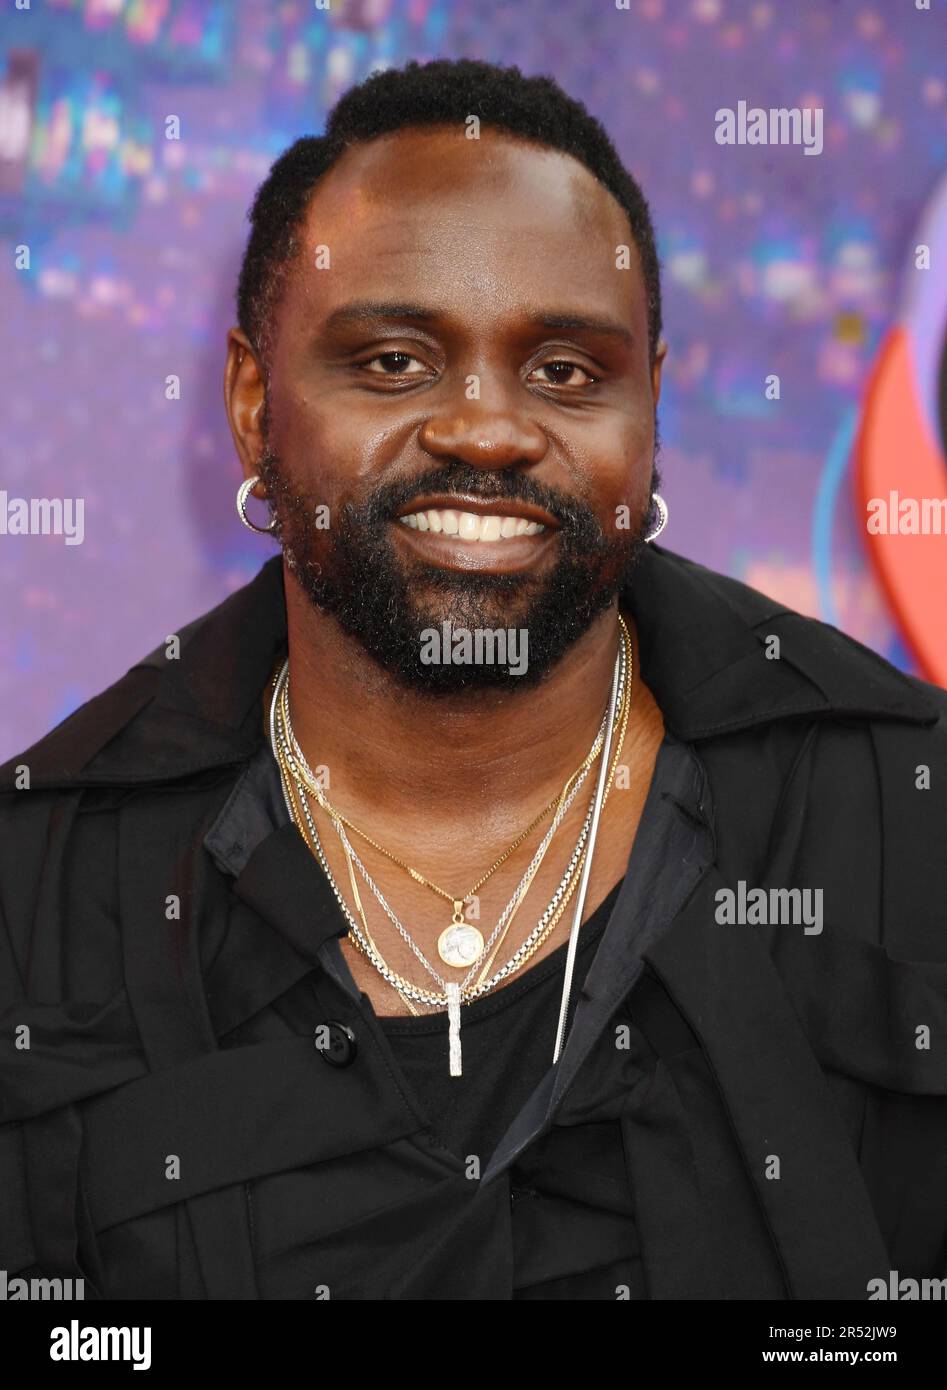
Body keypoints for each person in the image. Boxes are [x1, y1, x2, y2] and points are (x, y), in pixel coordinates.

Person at [2, 58, 946, 1302]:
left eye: (563, 370)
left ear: (650, 405)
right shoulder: (39, 886)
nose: (486, 430)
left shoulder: (907, 808)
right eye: (394, 362)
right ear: (250, 401)